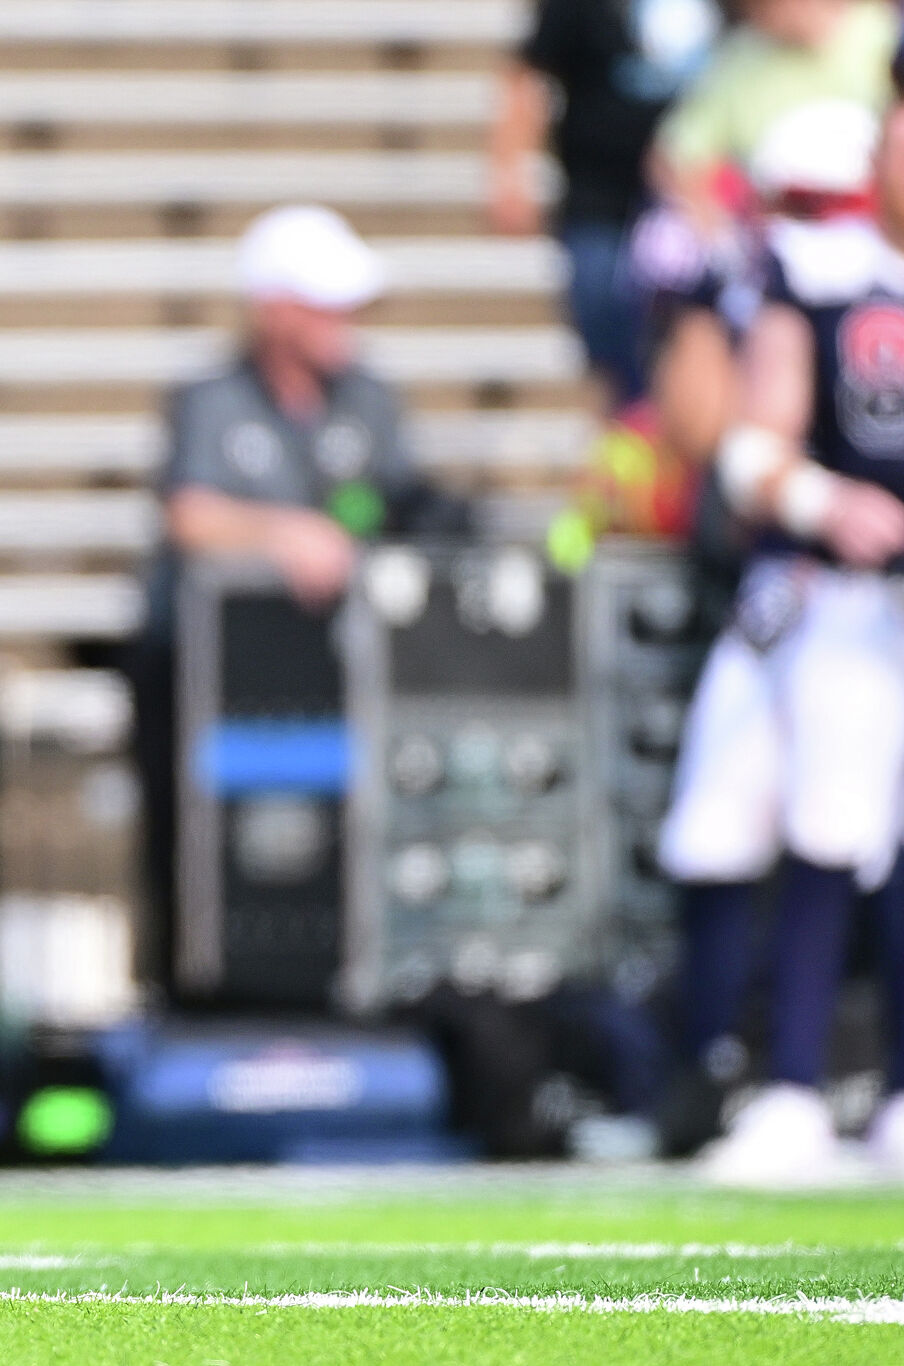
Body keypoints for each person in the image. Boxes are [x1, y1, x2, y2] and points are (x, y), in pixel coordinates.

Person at [659, 98, 904, 1183]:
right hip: (825, 601)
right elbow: (742, 448)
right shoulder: (807, 287)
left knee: (863, 834)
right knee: (799, 824)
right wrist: (822, 506)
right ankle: (774, 1083)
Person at [126, 203, 466, 964]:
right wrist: (285, 534)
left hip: (329, 671)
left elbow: (401, 505)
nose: (345, 319)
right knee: (199, 838)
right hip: (203, 673)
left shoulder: (370, 402)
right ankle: (192, 981)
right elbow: (190, 512)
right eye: (325, 302)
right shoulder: (211, 400)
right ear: (276, 309)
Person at [491, 0, 720, 408]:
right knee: (609, 346)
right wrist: (510, 175)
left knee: (697, 337)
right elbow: (531, 72)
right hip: (598, 200)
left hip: (694, 200)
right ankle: (630, 439)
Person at [654, 0, 897, 242]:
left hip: (880, 237)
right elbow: (676, 157)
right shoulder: (738, 63)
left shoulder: (882, 32)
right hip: (780, 247)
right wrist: (718, 229)